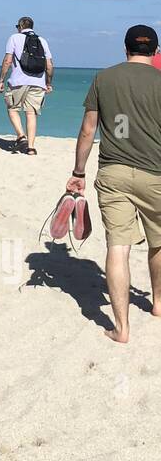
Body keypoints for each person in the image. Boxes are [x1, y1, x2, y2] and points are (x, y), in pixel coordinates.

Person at [67, 26, 161, 344]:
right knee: (158, 241)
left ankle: (121, 329)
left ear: (125, 48)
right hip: (156, 174)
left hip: (113, 173)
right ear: (156, 51)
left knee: (117, 248)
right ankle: (158, 304)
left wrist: (78, 172)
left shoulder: (103, 79)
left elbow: (87, 130)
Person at [0, 16, 53, 154]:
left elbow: (7, 61)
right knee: (31, 113)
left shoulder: (14, 38)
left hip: (18, 81)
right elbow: (49, 65)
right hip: (38, 82)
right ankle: (31, 147)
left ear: (20, 26)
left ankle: (21, 136)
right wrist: (48, 83)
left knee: (12, 108)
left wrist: (1, 80)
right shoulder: (42, 41)